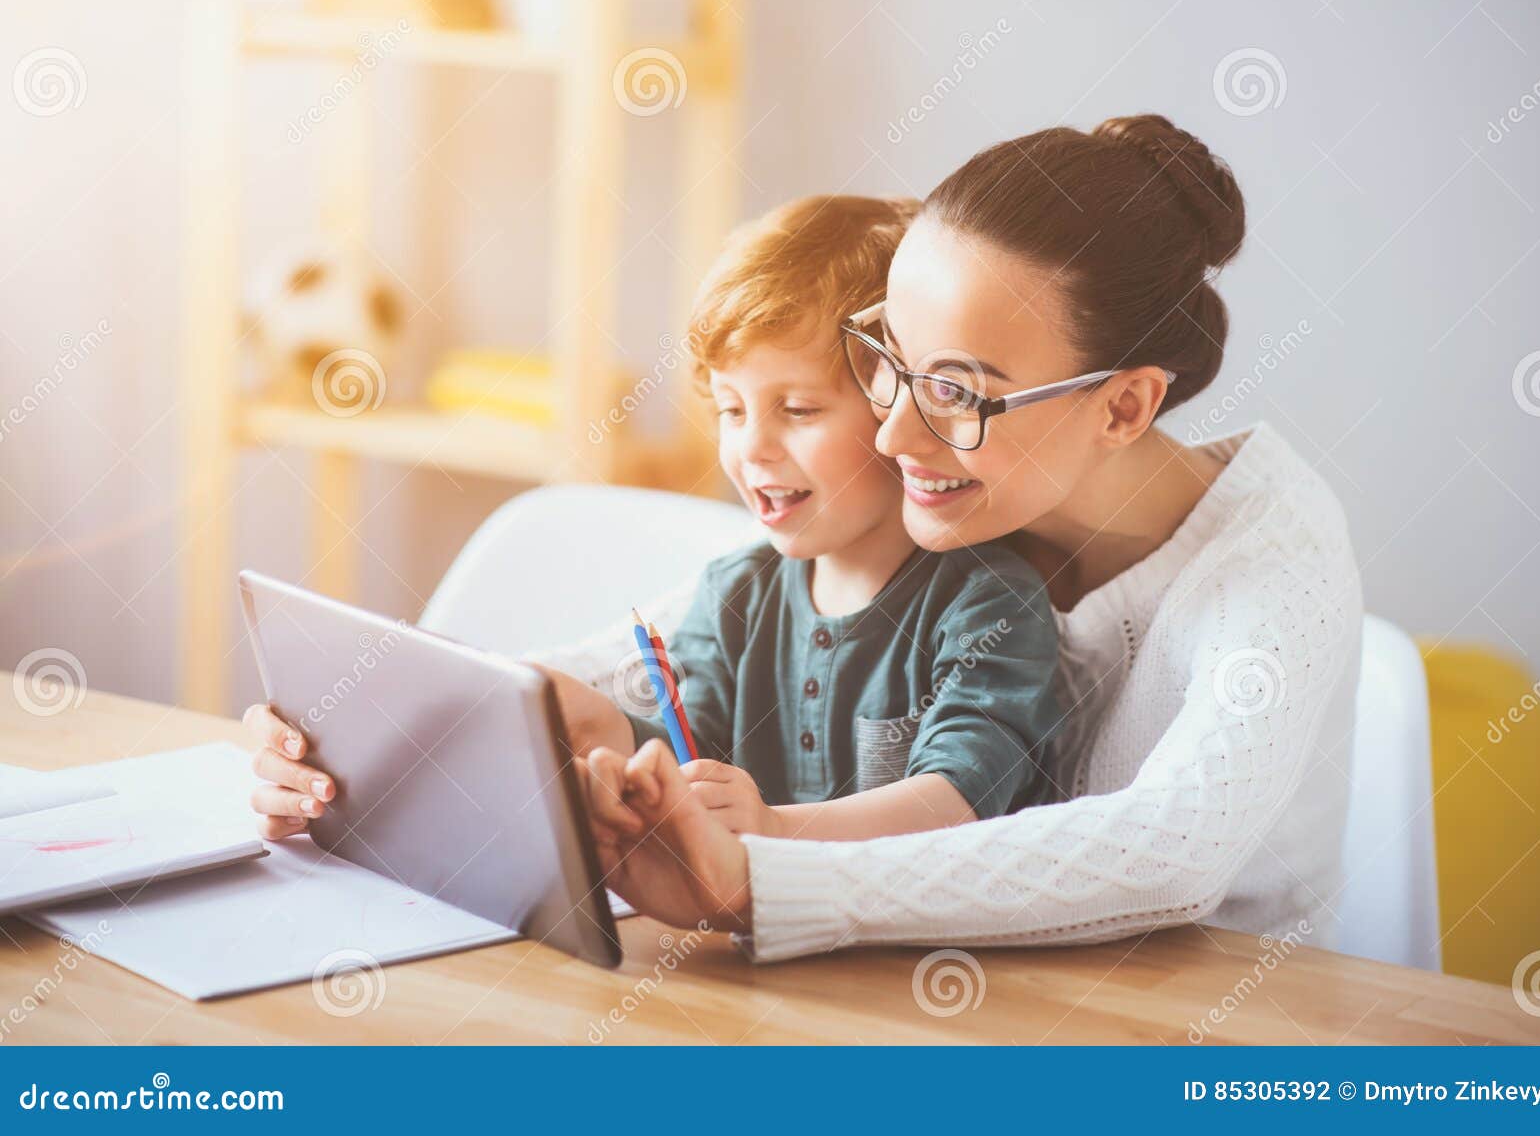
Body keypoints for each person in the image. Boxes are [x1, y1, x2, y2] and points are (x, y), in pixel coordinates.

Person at [576, 115, 1363, 961]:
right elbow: (638, 655)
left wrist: (763, 871)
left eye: (956, 392)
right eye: (887, 360)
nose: (891, 437)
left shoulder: (1277, 565)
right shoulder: (958, 508)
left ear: (1123, 408)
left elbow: (1170, 853)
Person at [245, 194, 1065, 850]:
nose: (752, 448)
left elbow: (959, 804)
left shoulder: (989, 602)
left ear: (899, 401)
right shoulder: (738, 592)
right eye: (731, 408)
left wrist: (775, 831)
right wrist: (588, 722)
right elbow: (693, 752)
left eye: (800, 408)